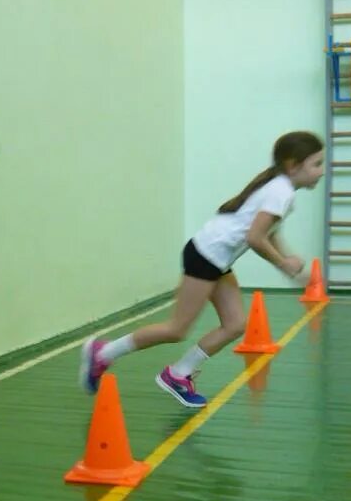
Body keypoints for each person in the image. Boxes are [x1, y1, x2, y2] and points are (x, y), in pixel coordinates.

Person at [80, 131, 323, 409]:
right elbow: (257, 237)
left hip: (217, 260)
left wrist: (289, 262)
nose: (321, 171)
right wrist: (284, 263)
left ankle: (179, 373)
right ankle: (103, 353)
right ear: (293, 166)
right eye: (316, 164)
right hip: (206, 255)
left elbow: (269, 231)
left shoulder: (282, 190)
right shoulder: (281, 191)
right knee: (176, 329)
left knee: (235, 325)